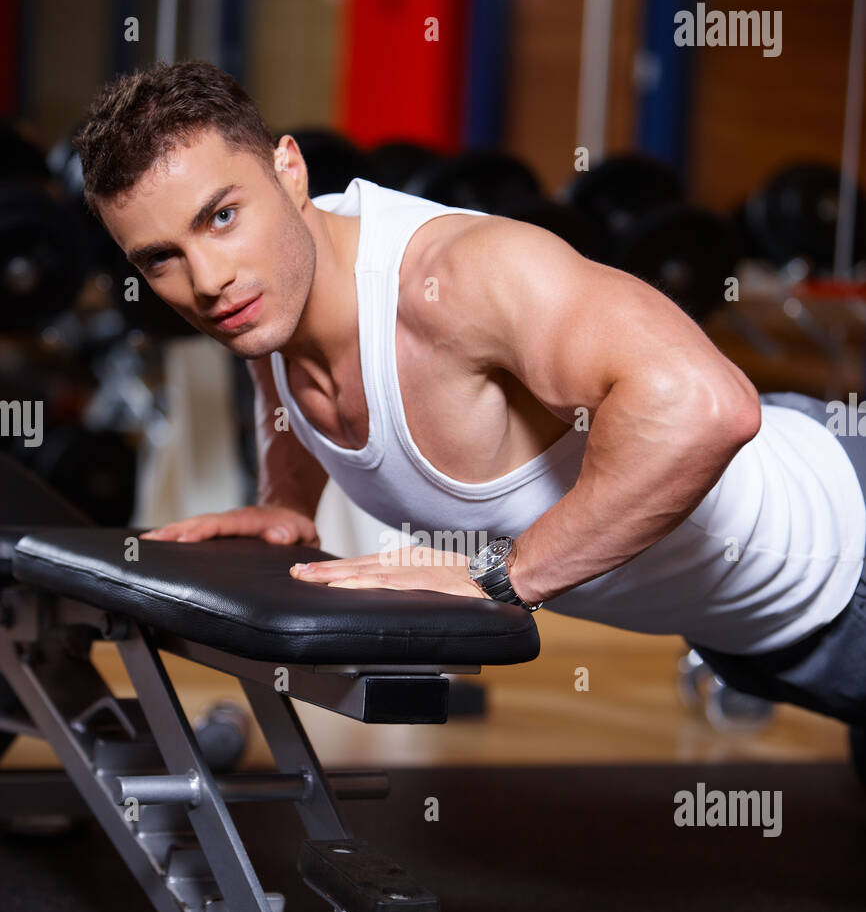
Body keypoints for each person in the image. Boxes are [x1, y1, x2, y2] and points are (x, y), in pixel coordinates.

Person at [73, 60, 866, 725]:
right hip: (753, 635)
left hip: (842, 555)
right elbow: (284, 379)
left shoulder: (458, 278)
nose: (206, 281)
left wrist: (504, 576)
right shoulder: (263, 293)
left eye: (221, 216)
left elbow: (708, 407)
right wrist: (287, 502)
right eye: (160, 258)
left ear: (289, 169)